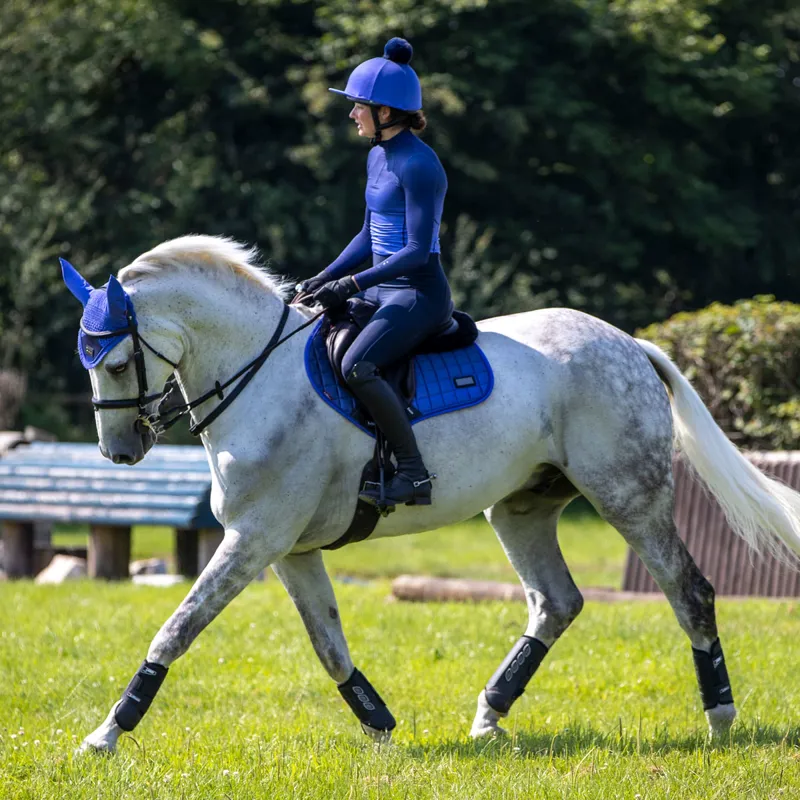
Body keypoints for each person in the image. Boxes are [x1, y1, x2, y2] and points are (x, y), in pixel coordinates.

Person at [300, 37, 453, 509]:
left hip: (417, 295)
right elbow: (368, 236)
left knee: (358, 365)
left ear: (385, 112)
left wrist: (351, 284)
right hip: (381, 291)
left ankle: (413, 474)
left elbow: (415, 251)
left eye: (358, 107)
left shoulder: (420, 165)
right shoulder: (376, 156)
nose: (352, 114)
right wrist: (322, 278)